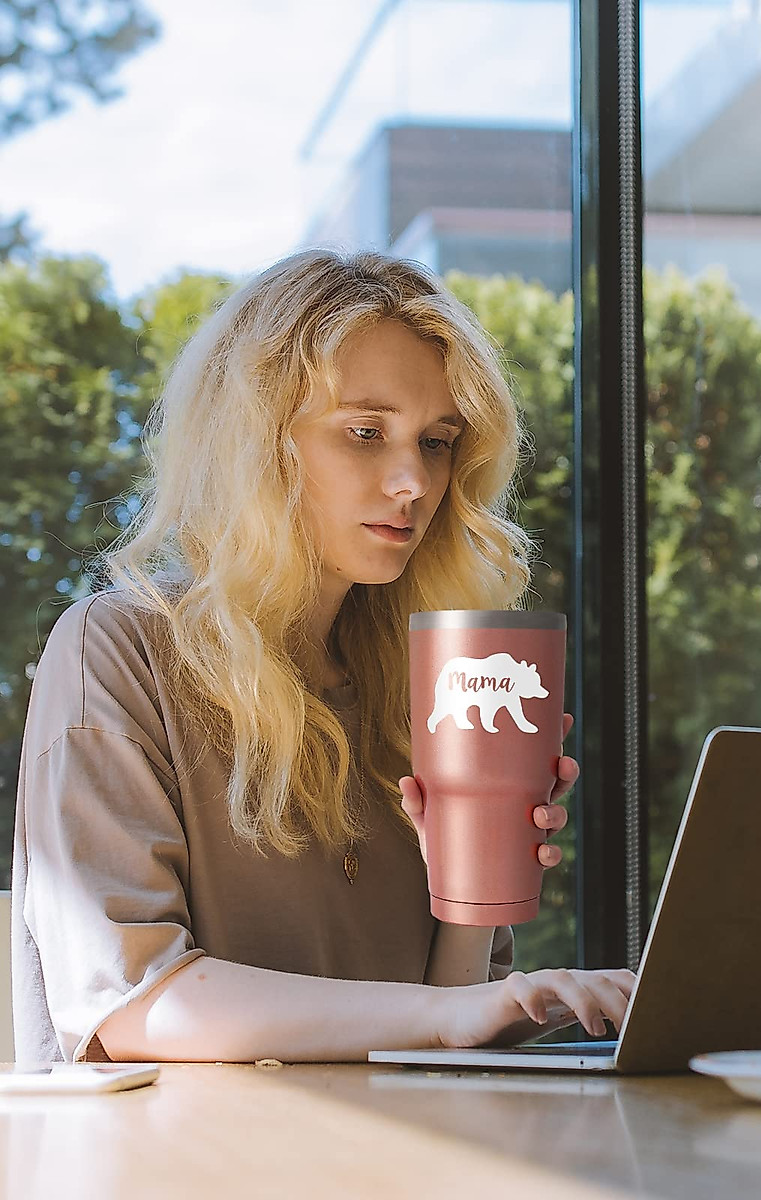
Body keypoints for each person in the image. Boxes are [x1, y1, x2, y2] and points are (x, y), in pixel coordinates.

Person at [10, 248, 635, 1064]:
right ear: (258, 442)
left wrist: (473, 888)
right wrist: (455, 1017)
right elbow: (132, 1006)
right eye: (366, 433)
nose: (413, 479)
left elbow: (439, 1028)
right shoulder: (119, 649)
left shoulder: (428, 687)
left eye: (438, 442)